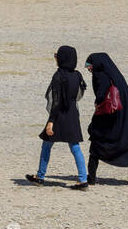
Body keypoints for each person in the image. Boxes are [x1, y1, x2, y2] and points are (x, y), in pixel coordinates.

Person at [26, 46, 88, 189]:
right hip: (73, 114)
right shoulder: (78, 75)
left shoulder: (59, 75)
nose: (55, 58)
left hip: (59, 115)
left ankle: (40, 176)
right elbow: (79, 95)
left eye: (57, 56)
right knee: (75, 146)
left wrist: (51, 121)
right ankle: (83, 179)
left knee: (47, 144)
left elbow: (56, 101)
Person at [85, 52, 128, 185]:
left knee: (96, 144)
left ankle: (91, 178)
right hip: (122, 115)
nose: (89, 69)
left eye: (90, 66)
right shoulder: (113, 74)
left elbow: (102, 96)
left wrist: (97, 103)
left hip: (109, 116)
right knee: (122, 144)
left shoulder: (100, 75)